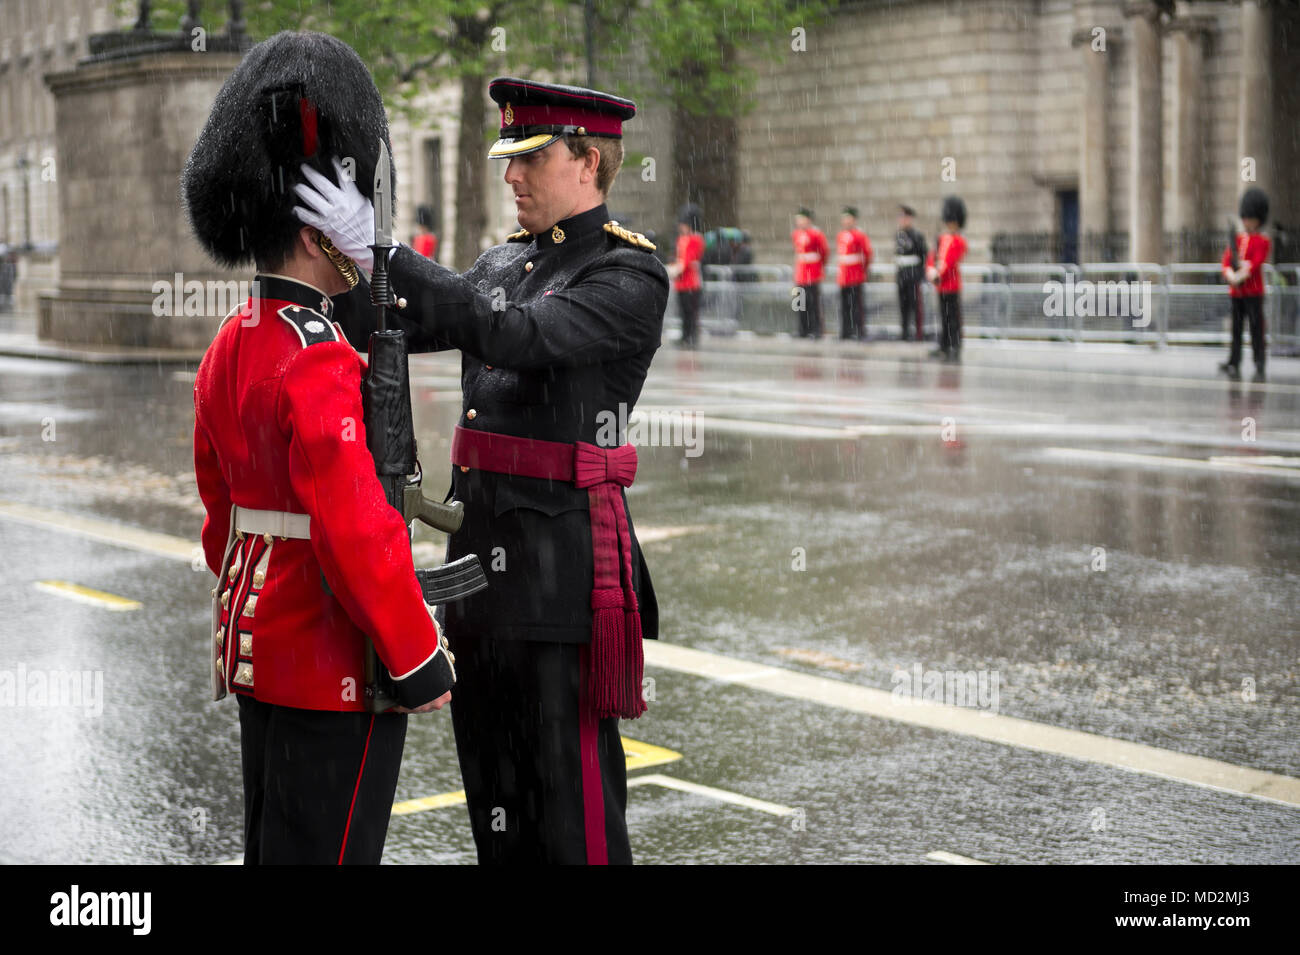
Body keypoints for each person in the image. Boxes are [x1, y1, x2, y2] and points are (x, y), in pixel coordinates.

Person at [297, 75, 667, 865]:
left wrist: (385, 248)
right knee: (495, 813)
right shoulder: (504, 261)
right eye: (508, 157)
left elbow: (516, 337)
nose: (511, 175)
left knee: (572, 827)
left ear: (588, 160)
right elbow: (387, 316)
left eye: (530, 157)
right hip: (476, 577)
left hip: (565, 584)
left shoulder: (628, 275)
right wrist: (324, 261)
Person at [184, 31, 455, 865]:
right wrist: (418, 653)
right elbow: (354, 526)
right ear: (314, 232)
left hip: (262, 654)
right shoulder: (318, 352)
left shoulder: (234, 340)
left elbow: (219, 514)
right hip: (333, 665)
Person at [1219, 187, 1271, 382]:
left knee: (1257, 328)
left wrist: (1241, 273)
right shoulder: (1239, 239)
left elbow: (1256, 263)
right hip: (1236, 293)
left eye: (1250, 217)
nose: (1247, 221)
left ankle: (1259, 360)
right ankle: (1234, 360)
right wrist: (1230, 274)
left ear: (1258, 219)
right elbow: (1226, 260)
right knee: (1237, 329)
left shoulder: (1262, 241)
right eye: (1246, 217)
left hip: (1253, 292)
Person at [927, 196, 968, 362]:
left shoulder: (959, 241)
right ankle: (944, 344)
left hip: (951, 284)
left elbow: (950, 262)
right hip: (941, 284)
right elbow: (933, 255)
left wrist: (938, 273)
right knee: (943, 316)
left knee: (953, 317)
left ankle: (955, 345)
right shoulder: (942, 238)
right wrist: (930, 269)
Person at [669, 203, 705, 347]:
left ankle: (691, 337)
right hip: (682, 282)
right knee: (684, 313)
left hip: (691, 282)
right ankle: (685, 336)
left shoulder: (695, 239)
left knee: (691, 313)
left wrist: (675, 270)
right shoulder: (682, 239)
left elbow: (687, 260)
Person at [792, 207, 828, 338]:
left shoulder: (816, 234)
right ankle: (802, 329)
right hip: (800, 274)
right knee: (799, 303)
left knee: (813, 303)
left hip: (812, 273)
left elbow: (823, 252)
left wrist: (819, 267)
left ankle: (816, 329)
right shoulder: (796, 234)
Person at [836, 206, 871, 341]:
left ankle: (857, 330)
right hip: (844, 275)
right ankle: (846, 330)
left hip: (855, 275)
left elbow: (867, 254)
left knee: (856, 305)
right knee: (845, 305)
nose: (846, 221)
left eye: (848, 218)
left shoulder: (859, 235)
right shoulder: (841, 235)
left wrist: (863, 270)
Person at [895, 205, 927, 341]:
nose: (902, 220)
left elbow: (923, 255)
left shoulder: (917, 235)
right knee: (903, 305)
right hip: (902, 274)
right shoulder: (898, 235)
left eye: (904, 217)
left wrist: (920, 274)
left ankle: (918, 334)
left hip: (913, 275)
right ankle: (905, 332)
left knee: (916, 306)